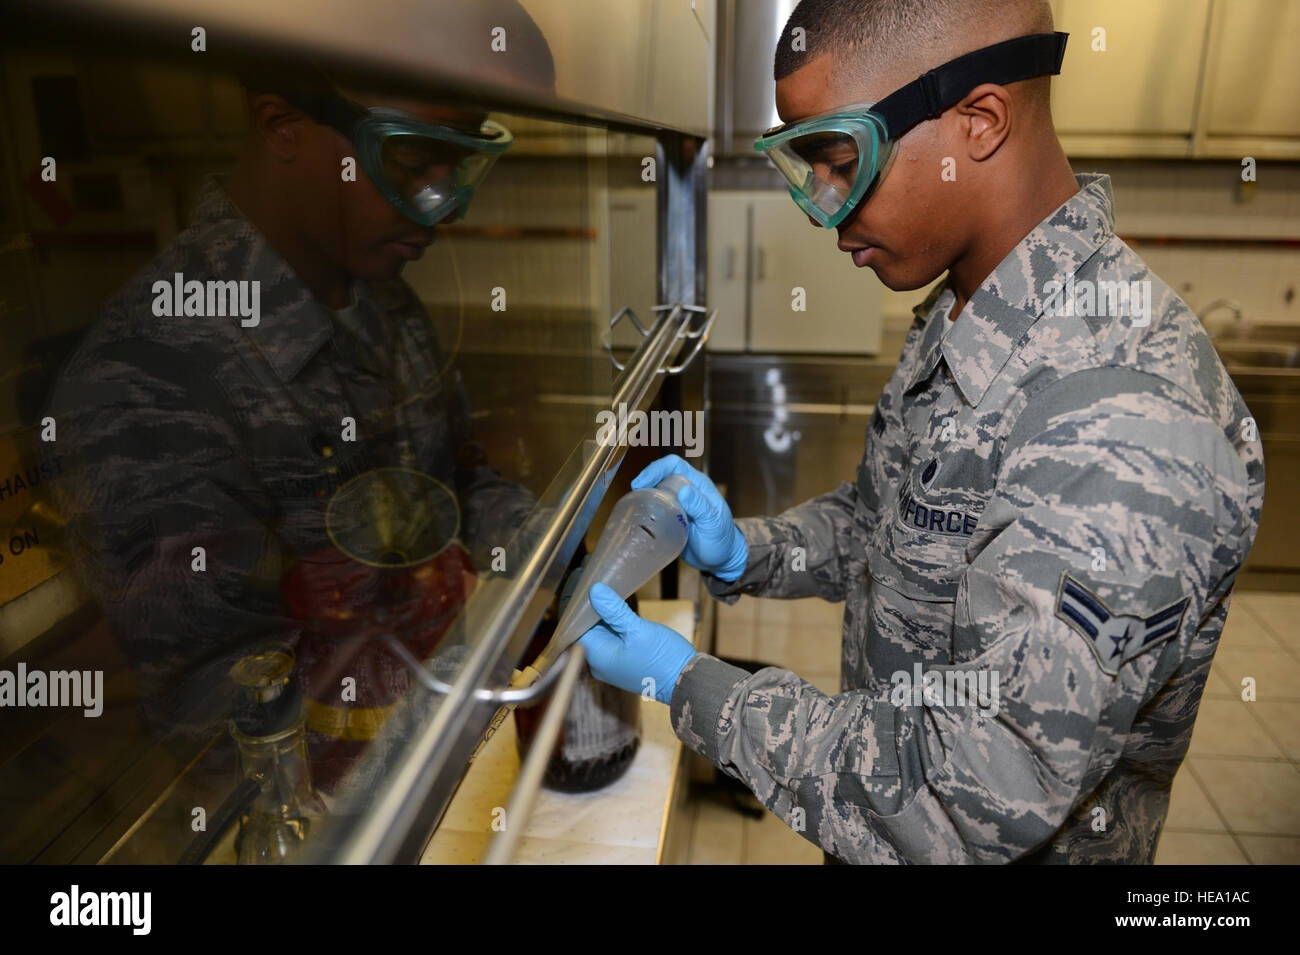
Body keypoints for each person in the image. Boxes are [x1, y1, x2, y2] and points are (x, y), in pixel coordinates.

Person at [576, 0, 1264, 863]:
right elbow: (889, 523)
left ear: (979, 121)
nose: (824, 213)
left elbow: (970, 793)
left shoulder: (1130, 420)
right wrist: (748, 552)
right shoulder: (960, 311)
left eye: (841, 160)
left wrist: (690, 686)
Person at [42, 61, 544, 784]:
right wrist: (475, 681)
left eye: (461, 163)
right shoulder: (148, 376)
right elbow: (228, 723)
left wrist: (556, 553)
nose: (446, 205)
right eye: (409, 159)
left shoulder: (384, 305)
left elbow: (455, 480)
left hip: (447, 757)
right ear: (283, 129)